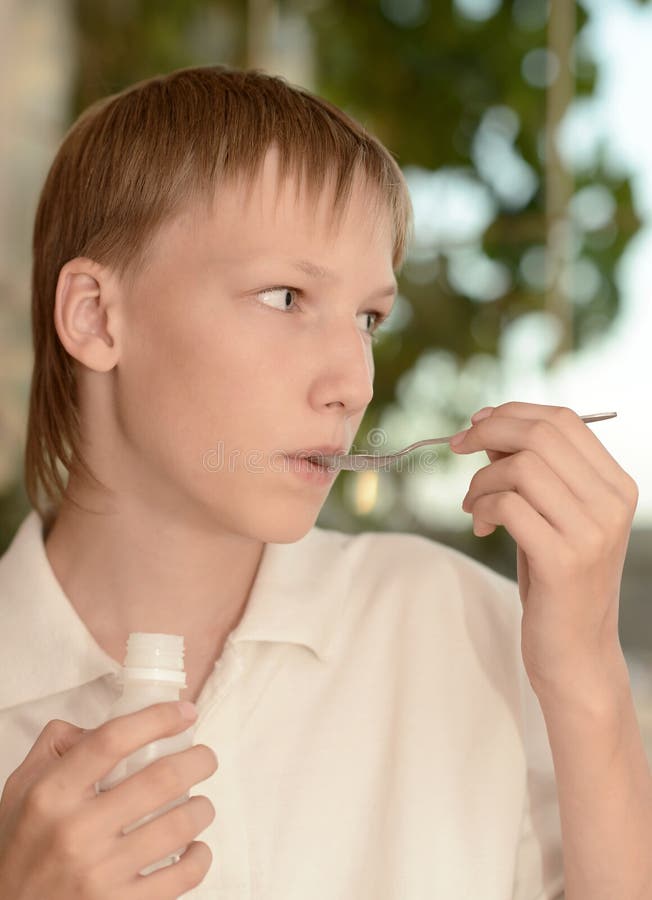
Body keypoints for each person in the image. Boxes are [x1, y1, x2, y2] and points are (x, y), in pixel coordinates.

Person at [0, 64, 649, 900]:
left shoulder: (463, 631)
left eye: (369, 318)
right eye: (286, 296)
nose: (354, 382)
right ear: (95, 315)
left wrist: (587, 677)